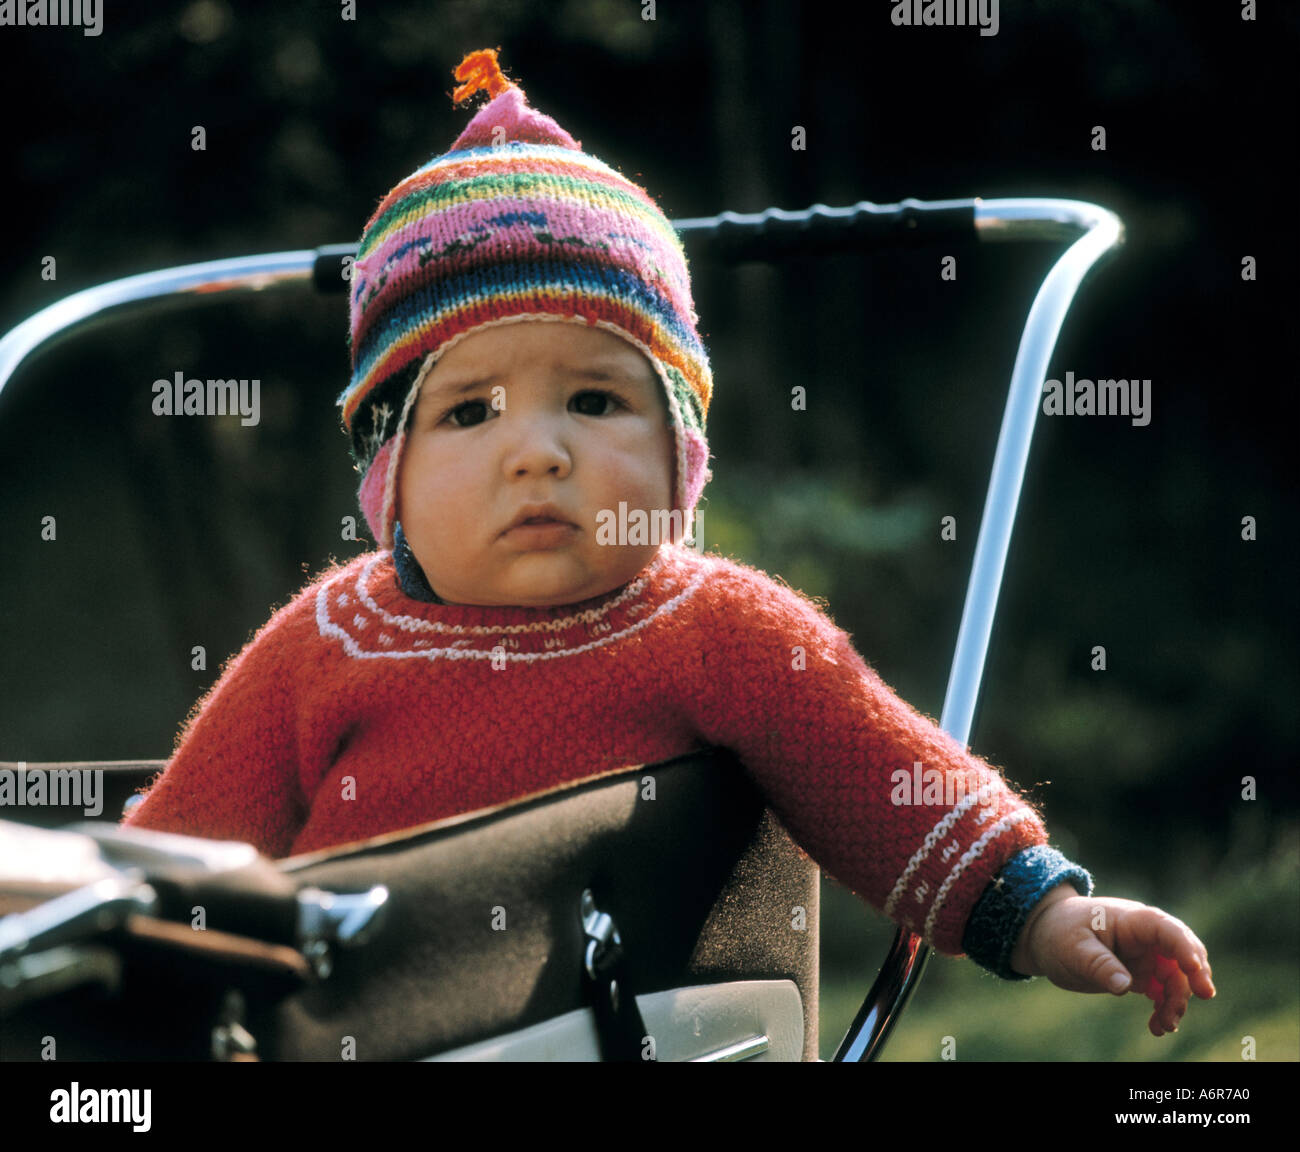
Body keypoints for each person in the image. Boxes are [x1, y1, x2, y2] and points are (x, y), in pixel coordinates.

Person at [123, 48, 1213, 1038]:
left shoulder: (713, 625)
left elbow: (881, 772)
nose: (537, 453)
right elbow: (172, 853)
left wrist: (1040, 909)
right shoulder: (323, 642)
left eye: (595, 401)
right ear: (386, 479)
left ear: (682, 455)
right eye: (467, 413)